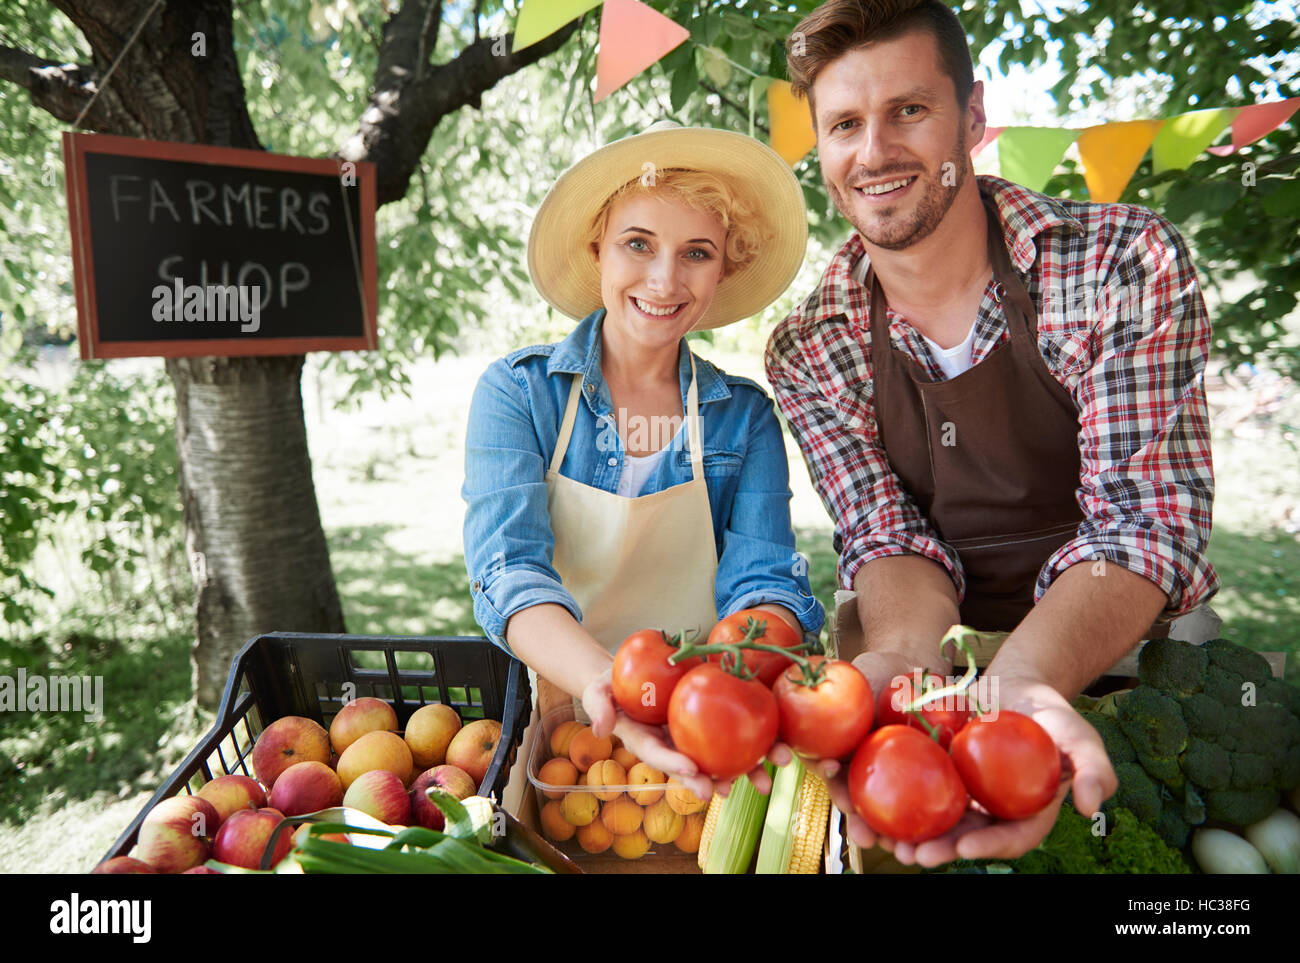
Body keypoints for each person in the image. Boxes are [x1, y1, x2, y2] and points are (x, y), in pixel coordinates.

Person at [765, 0, 1219, 864]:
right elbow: (883, 532)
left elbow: (1144, 523)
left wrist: (1023, 682)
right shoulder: (809, 342)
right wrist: (902, 652)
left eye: (909, 110)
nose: (875, 152)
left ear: (972, 119)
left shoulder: (1121, 264)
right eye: (845, 124)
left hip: (1136, 651)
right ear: (819, 151)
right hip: (932, 676)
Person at [463, 121, 825, 802]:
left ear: (723, 271)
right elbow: (508, 573)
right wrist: (610, 684)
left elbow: (763, 580)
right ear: (598, 250)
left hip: (703, 723)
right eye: (638, 244)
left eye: (697, 253)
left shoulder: (743, 418)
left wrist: (723, 692)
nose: (665, 279)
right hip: (567, 716)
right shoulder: (519, 394)